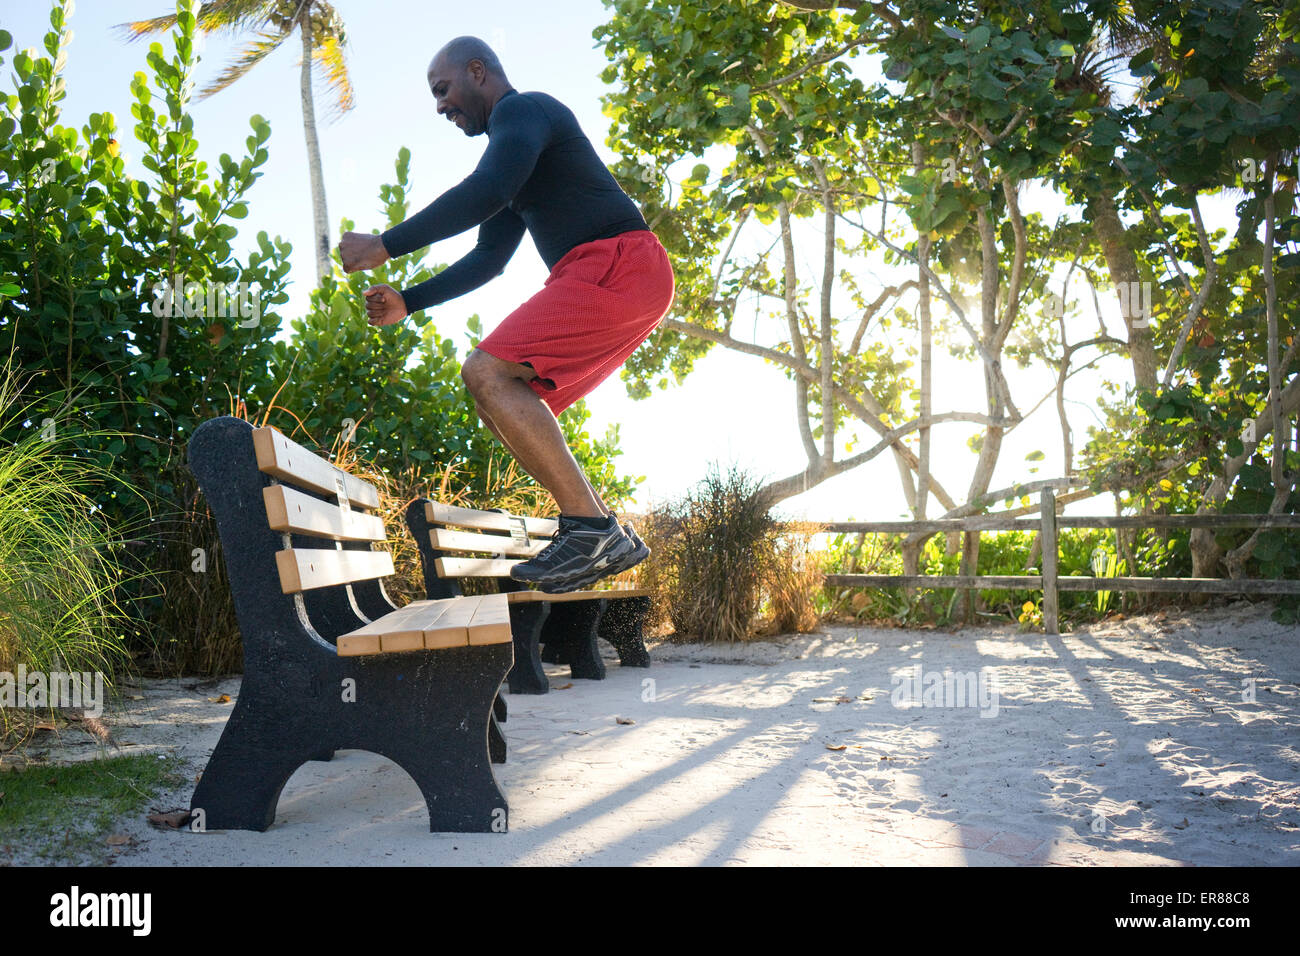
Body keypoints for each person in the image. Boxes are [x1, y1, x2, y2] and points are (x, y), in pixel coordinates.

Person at [338, 36, 674, 593]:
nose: (440, 106)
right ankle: (600, 530)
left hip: (618, 262)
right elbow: (490, 259)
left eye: (443, 90)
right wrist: (410, 300)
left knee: (486, 370)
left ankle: (590, 527)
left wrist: (387, 243)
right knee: (497, 400)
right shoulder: (515, 151)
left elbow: (485, 190)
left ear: (478, 71)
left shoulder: (524, 110)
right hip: (612, 272)